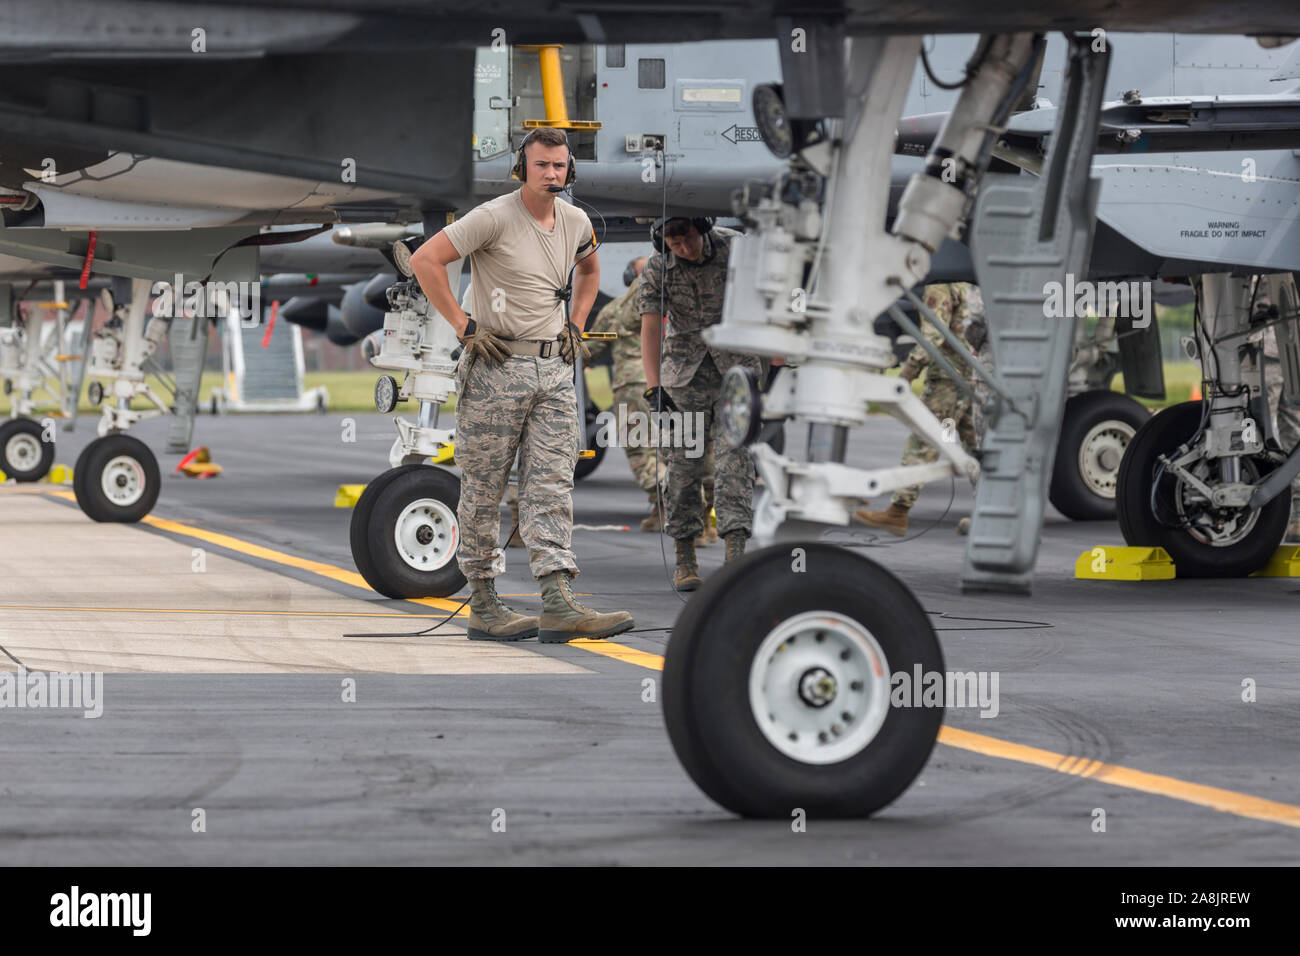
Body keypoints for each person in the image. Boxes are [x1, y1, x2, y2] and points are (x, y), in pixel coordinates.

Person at [409, 126, 633, 643]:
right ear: (522, 169)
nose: (552, 174)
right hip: (496, 368)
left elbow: (591, 272)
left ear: (569, 169)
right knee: (484, 488)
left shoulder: (576, 221)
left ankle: (557, 600)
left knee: (553, 485)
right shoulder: (493, 217)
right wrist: (464, 328)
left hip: (554, 371)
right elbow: (426, 260)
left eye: (560, 166)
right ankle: (485, 603)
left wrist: (577, 323)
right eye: (542, 166)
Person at [639, 217, 763, 590]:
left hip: (736, 372)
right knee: (682, 469)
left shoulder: (736, 249)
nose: (684, 248)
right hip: (684, 375)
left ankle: (735, 558)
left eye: (688, 239)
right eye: (674, 243)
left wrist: (775, 362)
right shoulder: (659, 265)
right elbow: (650, 324)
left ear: (702, 229)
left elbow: (767, 303)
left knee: (735, 465)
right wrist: (653, 386)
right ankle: (685, 558)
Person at [855, 282, 977, 537]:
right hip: (974, 377)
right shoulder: (969, 284)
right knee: (979, 448)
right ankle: (995, 513)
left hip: (948, 379)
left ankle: (898, 512)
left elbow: (933, 337)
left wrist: (908, 372)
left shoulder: (939, 285)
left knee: (925, 439)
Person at [584, 256, 668, 531]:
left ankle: (676, 502)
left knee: (641, 451)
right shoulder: (679, 307)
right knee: (675, 451)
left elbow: (590, 350)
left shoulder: (616, 309)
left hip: (635, 389)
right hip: (677, 387)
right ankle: (670, 513)